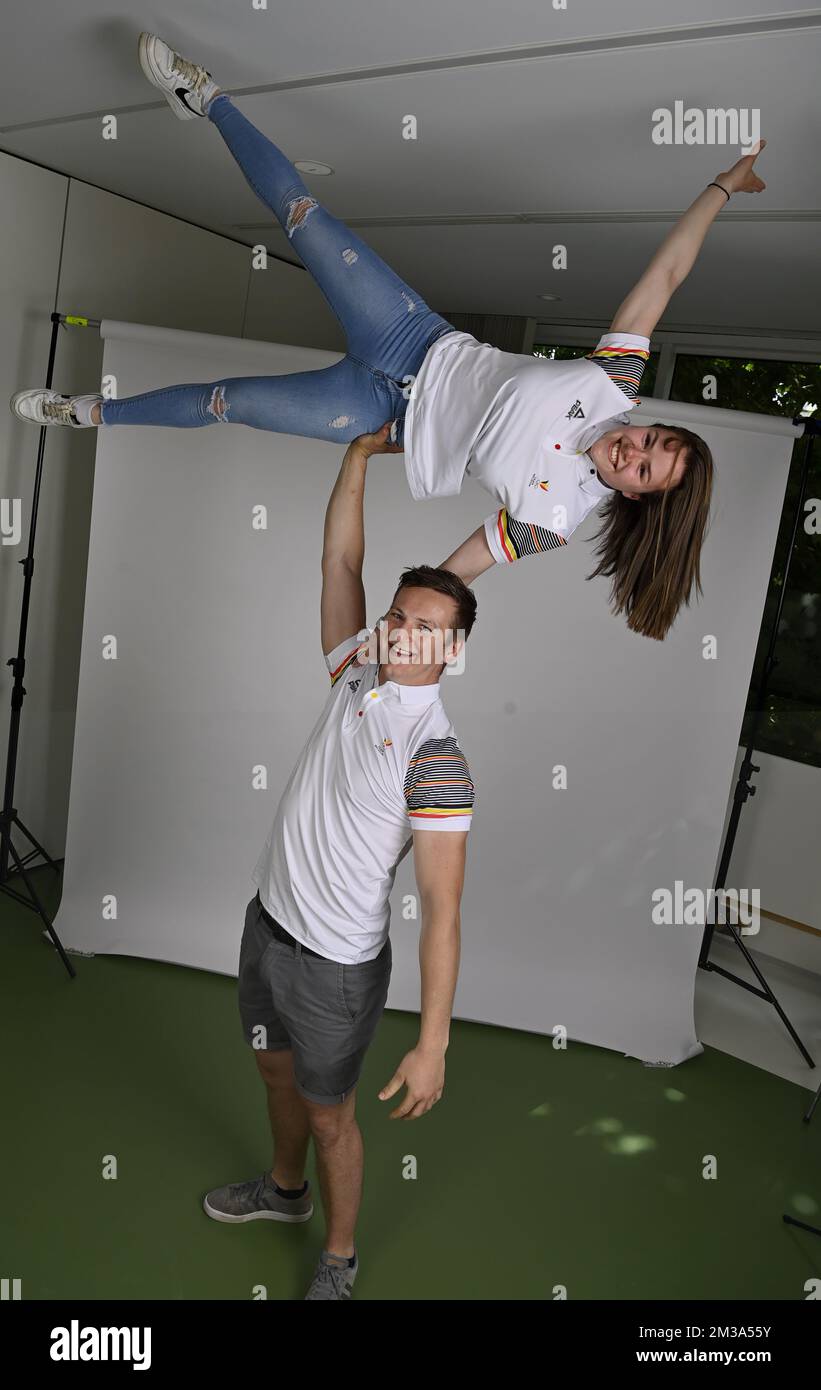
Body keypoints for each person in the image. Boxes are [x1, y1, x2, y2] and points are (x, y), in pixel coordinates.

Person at [11, 32, 766, 639]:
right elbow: (665, 277)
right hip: (411, 338)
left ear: (635, 500)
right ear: (649, 423)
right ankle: (204, 97)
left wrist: (399, 638)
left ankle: (84, 413)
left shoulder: (551, 523)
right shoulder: (611, 383)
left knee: (224, 402)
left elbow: (452, 575)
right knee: (303, 216)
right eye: (651, 441)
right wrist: (724, 186)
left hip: (377, 416)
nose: (631, 452)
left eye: (642, 472)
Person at [202, 422, 477, 1300]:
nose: (400, 633)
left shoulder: (436, 757)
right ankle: (283, 1197)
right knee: (272, 1072)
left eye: (424, 627)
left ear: (454, 651)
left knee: (331, 1117)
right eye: (397, 617)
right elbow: (339, 568)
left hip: (334, 966)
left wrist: (432, 1044)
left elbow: (441, 909)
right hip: (267, 924)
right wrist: (355, 460)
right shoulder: (358, 671)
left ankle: (339, 1257)